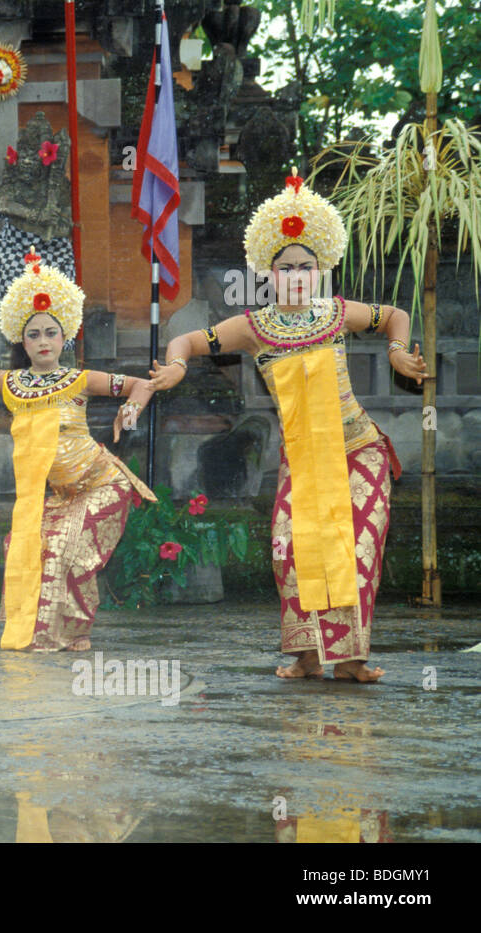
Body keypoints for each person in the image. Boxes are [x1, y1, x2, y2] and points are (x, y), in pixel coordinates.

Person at [149, 170, 428, 682]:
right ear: (269, 275)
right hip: (301, 459)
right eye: (285, 268)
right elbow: (187, 341)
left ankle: (351, 660)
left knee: (357, 550)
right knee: (292, 550)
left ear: (320, 270)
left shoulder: (339, 313)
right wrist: (176, 365)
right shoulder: (255, 328)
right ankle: (305, 655)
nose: (296, 274)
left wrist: (397, 353)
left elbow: (395, 315)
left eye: (306, 266)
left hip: (358, 449)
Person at [0, 253, 156, 651]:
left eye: (50, 333)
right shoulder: (10, 383)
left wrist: (129, 411)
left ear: (64, 337)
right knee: (28, 548)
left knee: (65, 549)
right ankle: (49, 631)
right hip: (58, 496)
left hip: (102, 484)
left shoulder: (79, 379)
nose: (43, 341)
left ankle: (76, 631)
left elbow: (141, 384)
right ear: (22, 341)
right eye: (34, 334)